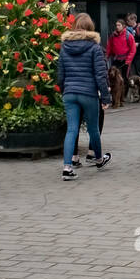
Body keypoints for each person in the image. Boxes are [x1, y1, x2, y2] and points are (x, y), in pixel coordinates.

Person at [58, 13, 111, 180]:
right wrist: (106, 97)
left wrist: (63, 90)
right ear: (90, 28)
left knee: (71, 129)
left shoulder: (65, 47)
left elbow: (60, 73)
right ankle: (99, 159)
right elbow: (100, 75)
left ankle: (67, 168)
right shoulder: (94, 48)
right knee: (93, 129)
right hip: (88, 93)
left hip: (69, 93)